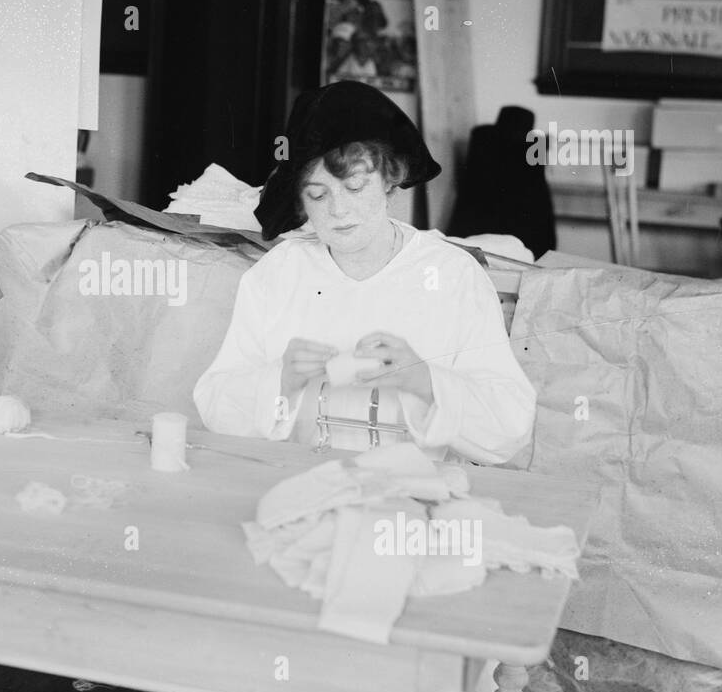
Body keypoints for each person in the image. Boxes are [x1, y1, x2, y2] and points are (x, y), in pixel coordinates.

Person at [193, 80, 535, 464]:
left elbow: (510, 429)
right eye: (318, 194)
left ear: (391, 177)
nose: (338, 210)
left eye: (355, 186)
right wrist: (281, 380)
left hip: (414, 491)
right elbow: (216, 407)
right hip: (299, 483)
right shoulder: (279, 273)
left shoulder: (453, 276)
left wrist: (425, 380)